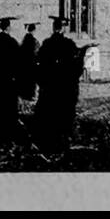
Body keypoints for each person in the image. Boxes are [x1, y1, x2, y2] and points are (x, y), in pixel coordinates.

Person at [33, 15, 87, 153]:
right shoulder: (68, 44)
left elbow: (38, 65)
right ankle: (63, 142)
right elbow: (76, 65)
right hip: (65, 88)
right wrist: (83, 53)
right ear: (63, 29)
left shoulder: (46, 43)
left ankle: (46, 141)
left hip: (49, 87)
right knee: (64, 113)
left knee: (49, 113)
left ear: (53, 28)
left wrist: (43, 82)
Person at [18, 22, 39, 101]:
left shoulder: (23, 41)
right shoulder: (35, 41)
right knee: (32, 81)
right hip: (32, 65)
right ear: (34, 31)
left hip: (24, 65)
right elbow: (37, 53)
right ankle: (31, 95)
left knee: (25, 80)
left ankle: (24, 95)